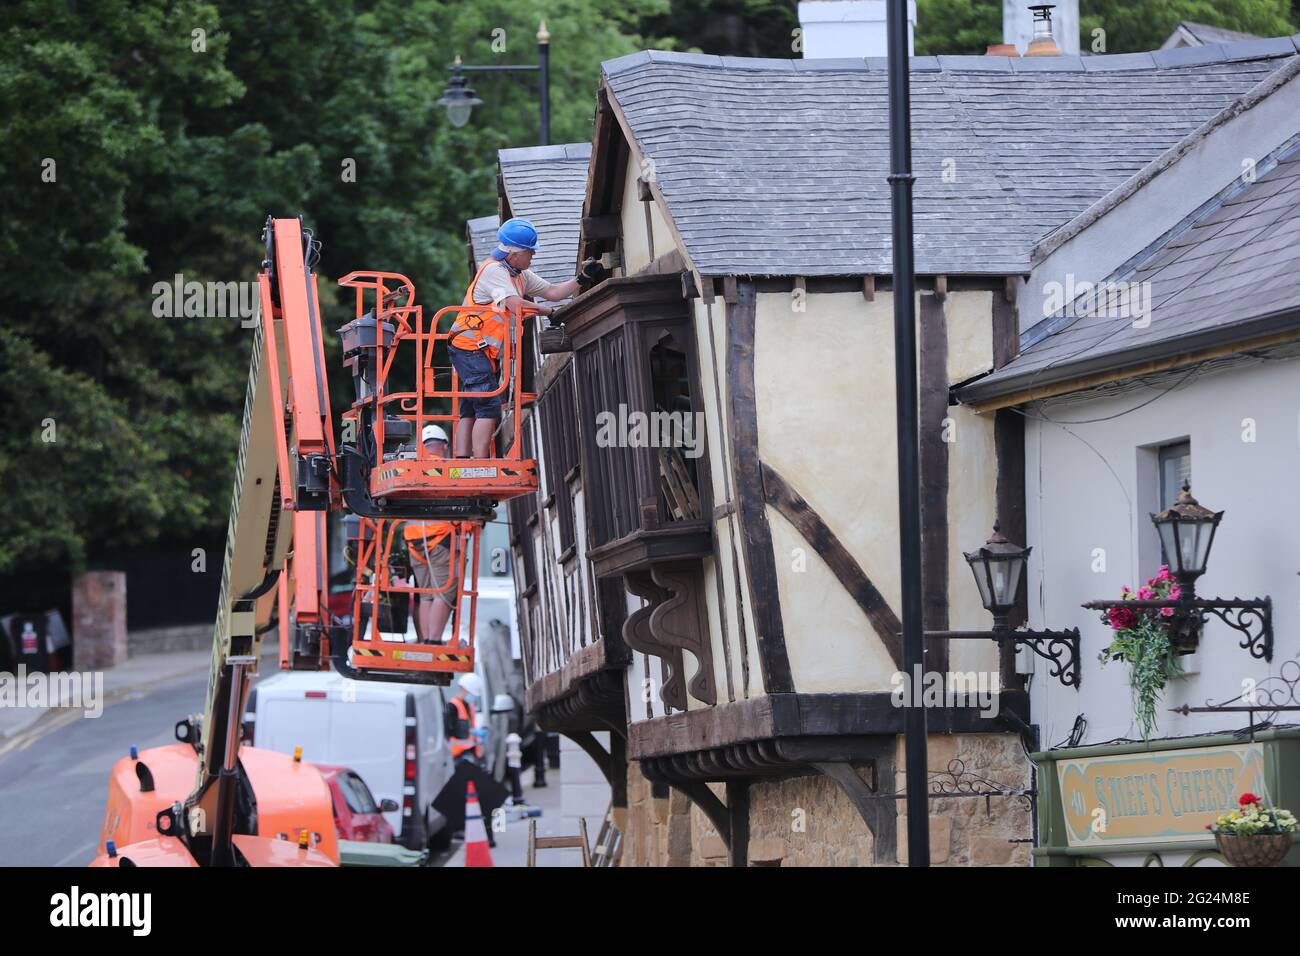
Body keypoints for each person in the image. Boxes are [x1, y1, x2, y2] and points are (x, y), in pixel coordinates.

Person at [448, 217, 607, 459]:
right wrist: (548, 312)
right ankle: (479, 462)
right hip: (469, 346)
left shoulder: (519, 274)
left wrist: (581, 278)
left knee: (472, 406)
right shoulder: (494, 271)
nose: (533, 255)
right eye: (530, 251)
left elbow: (552, 292)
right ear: (515, 253)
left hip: (476, 349)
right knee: (488, 404)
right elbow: (514, 304)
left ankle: (461, 458)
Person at [403, 424, 456, 644]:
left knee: (425, 595)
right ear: (444, 445)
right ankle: (434, 641)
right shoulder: (448, 469)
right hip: (440, 535)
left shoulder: (411, 467)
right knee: (444, 591)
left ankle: (425, 640)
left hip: (412, 537)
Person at [446, 672, 486, 765]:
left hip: (469, 752)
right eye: (471, 693)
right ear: (464, 689)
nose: (473, 696)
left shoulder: (468, 706)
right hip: (457, 755)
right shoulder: (452, 706)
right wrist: (471, 731)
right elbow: (450, 731)